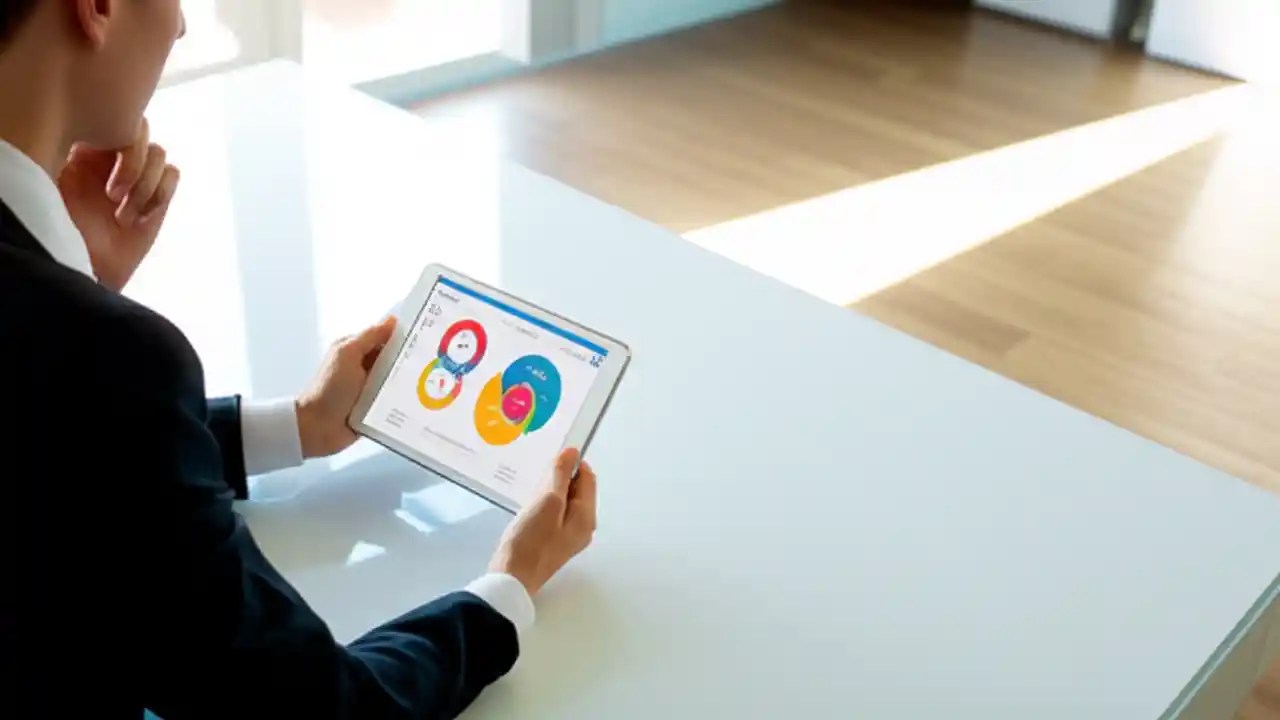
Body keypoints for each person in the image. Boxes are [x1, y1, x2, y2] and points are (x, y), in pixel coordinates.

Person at [0, 1, 598, 717]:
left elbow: (57, 457)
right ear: (95, 7)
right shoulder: (110, 359)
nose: (183, 24)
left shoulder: (81, 356)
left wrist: (296, 426)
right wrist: (507, 589)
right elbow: (318, 708)